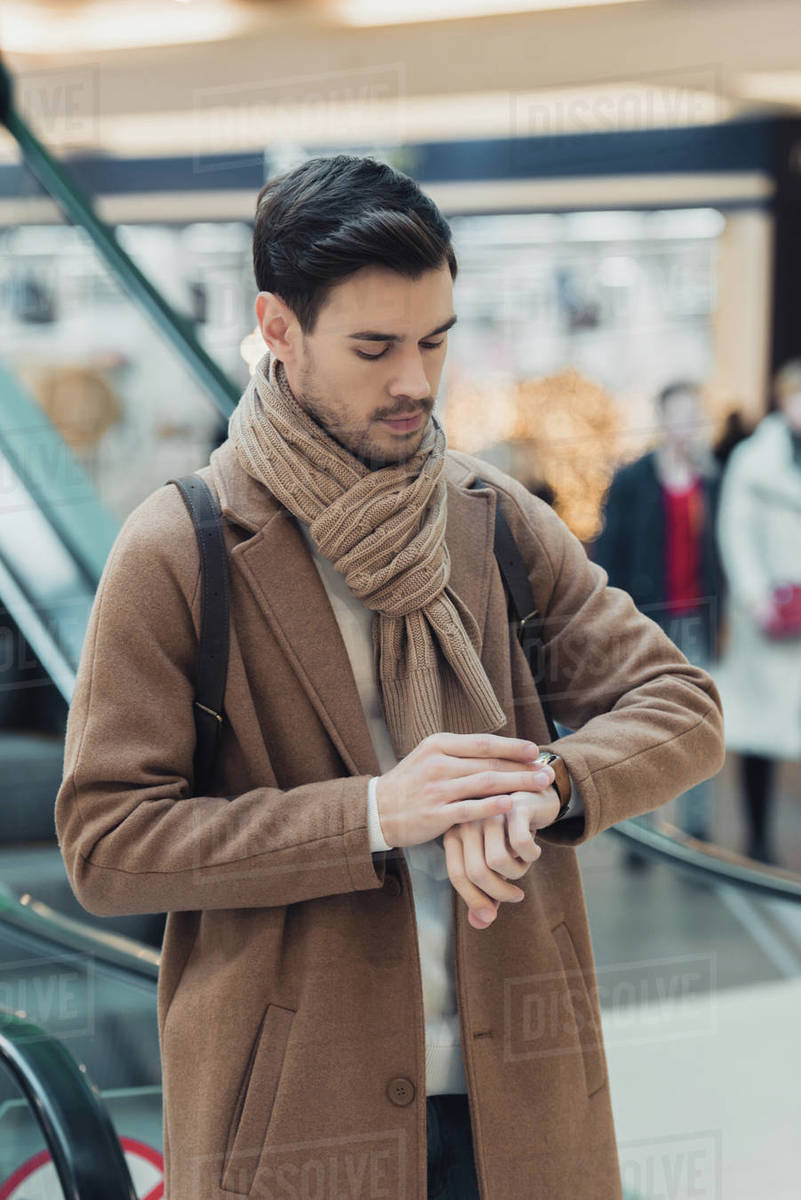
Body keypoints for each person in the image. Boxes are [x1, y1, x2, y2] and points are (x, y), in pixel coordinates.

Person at [55, 155, 724, 1200]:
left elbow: (681, 705)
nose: (415, 379)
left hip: (524, 1110)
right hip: (297, 1120)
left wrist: (542, 782)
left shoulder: (490, 517)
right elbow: (108, 843)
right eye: (375, 347)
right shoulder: (180, 547)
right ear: (279, 329)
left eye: (435, 340)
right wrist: (373, 812)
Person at [592, 381, 724, 847]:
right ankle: (646, 829)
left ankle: (697, 832)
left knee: (701, 721)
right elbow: (609, 551)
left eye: (694, 414)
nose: (686, 424)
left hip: (698, 616)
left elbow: (719, 555)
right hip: (649, 620)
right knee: (647, 725)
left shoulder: (711, 479)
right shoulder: (633, 480)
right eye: (678, 414)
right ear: (663, 419)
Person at [712, 359, 801, 863]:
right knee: (762, 729)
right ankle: (758, 833)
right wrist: (756, 596)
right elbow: (735, 532)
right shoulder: (755, 458)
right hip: (767, 615)